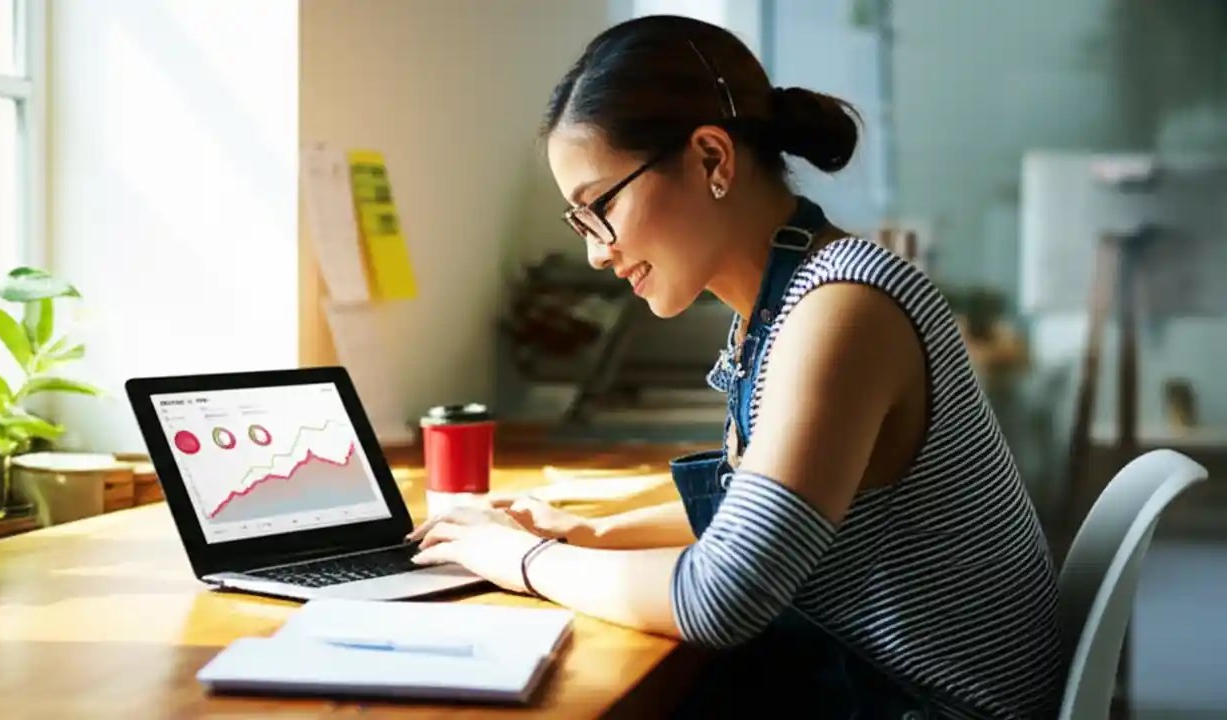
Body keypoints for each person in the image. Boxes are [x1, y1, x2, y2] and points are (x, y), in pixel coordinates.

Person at [409, 14, 1064, 719]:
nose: (596, 251)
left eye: (600, 206)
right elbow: (756, 507)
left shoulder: (841, 310)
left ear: (714, 159)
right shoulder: (799, 294)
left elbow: (721, 596)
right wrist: (584, 530)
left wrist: (518, 562)